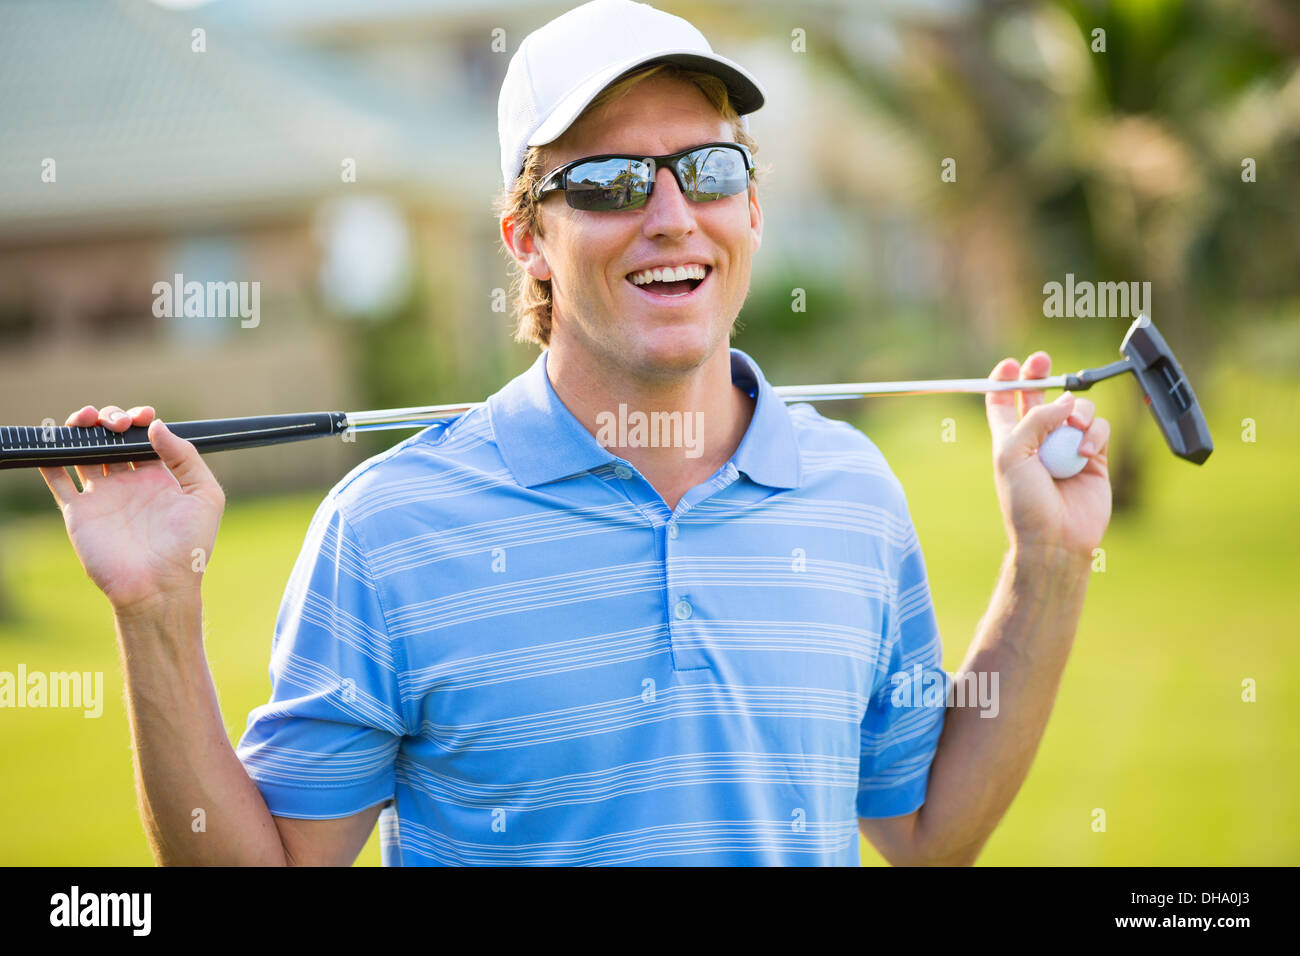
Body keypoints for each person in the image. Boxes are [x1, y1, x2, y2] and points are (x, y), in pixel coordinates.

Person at [40, 0, 1111, 866]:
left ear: (750, 207)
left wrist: (1050, 565)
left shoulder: (852, 492)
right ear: (528, 239)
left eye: (709, 167)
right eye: (604, 181)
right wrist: (157, 611)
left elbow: (927, 834)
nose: (670, 213)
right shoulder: (387, 528)